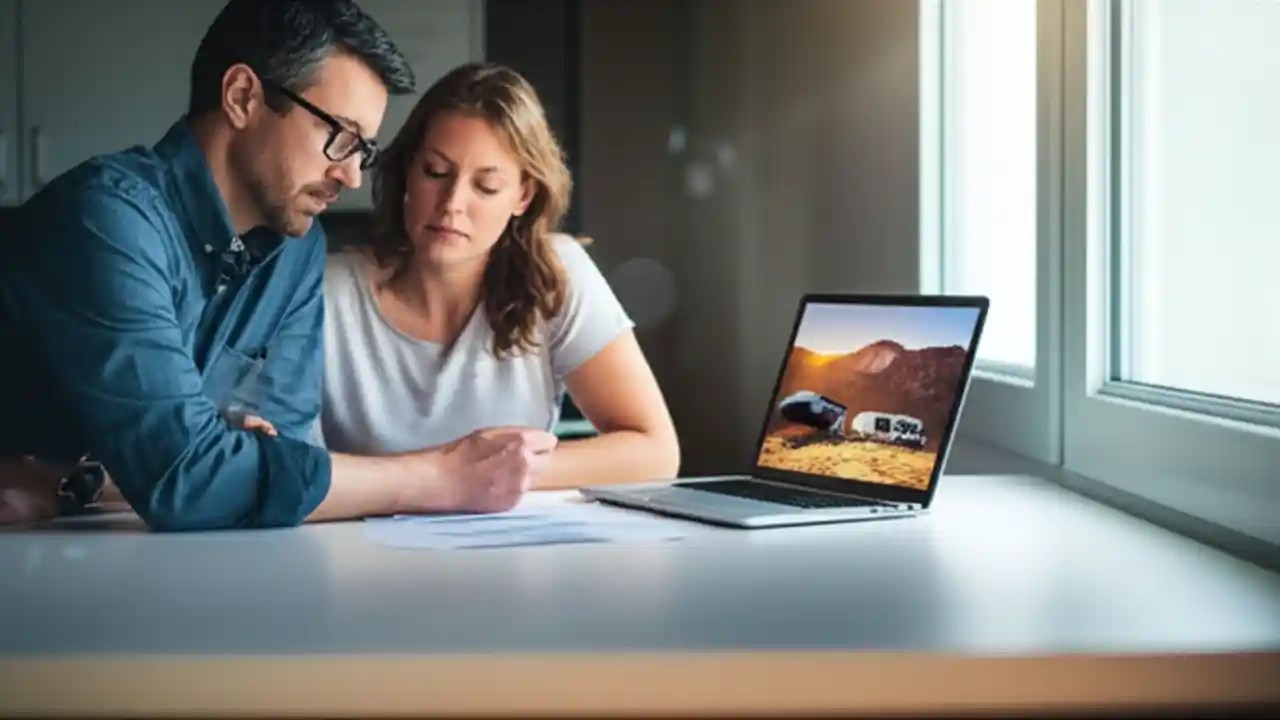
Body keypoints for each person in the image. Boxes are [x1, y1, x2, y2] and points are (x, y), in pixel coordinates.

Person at [0, 1, 555, 530]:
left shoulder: (295, 249)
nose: (352, 176)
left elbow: (287, 455)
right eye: (339, 136)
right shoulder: (106, 220)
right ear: (242, 96)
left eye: (362, 150)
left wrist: (95, 480)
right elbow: (189, 479)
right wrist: (439, 476)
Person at [317, 62, 679, 489]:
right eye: (435, 172)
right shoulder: (326, 292)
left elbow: (654, 451)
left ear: (523, 195)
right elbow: (270, 461)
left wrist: (492, 473)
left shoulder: (554, 273)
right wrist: (445, 477)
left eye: (486, 186)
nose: (452, 203)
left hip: (510, 551)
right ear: (407, 173)